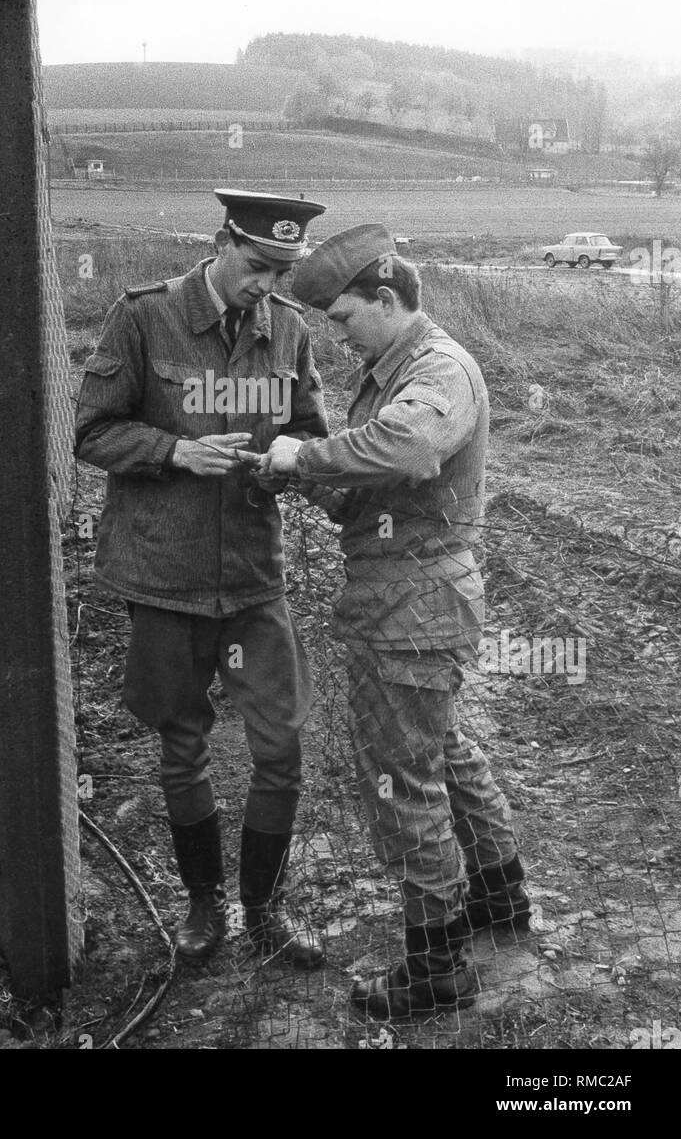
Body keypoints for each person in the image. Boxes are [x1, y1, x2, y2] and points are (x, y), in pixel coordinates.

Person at [249, 224, 530, 1021]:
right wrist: (294, 472)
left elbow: (404, 451)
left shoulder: (435, 369)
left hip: (409, 606)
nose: (335, 339)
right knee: (444, 750)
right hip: (407, 598)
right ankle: (498, 896)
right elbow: (372, 487)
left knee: (403, 783)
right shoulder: (393, 367)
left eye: (341, 320)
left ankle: (435, 965)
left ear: (384, 298)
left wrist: (303, 459)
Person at [75, 189, 329, 968]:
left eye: (281, 270)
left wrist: (282, 464)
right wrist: (174, 453)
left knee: (280, 745)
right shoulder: (143, 317)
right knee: (181, 744)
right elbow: (91, 431)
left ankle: (264, 909)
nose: (266, 285)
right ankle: (203, 906)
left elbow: (307, 433)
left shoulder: (287, 329)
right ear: (222, 243)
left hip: (253, 576)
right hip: (165, 575)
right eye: (257, 267)